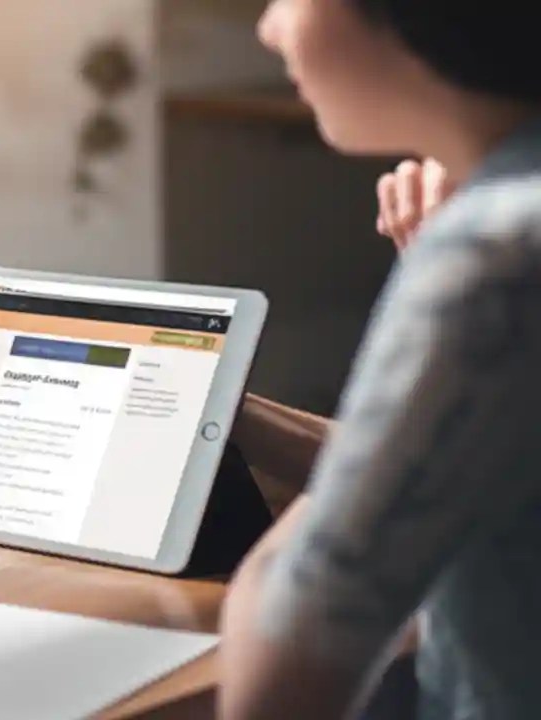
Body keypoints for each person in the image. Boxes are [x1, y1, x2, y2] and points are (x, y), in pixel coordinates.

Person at [218, 1, 541, 718]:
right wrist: (222, 414)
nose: (269, 28)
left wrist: (445, 283)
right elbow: (456, 466)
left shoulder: (500, 252)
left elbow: (281, 678)